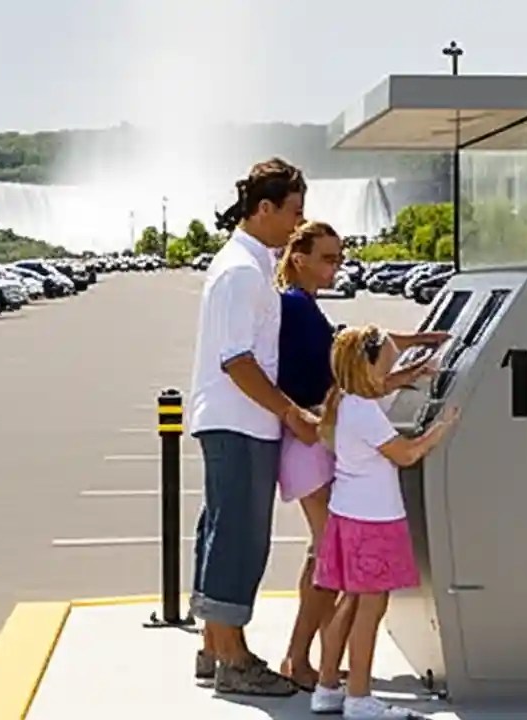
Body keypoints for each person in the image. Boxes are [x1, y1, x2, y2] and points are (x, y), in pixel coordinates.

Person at [272, 223, 445, 692]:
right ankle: (304, 662)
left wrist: (403, 353)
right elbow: (342, 363)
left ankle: (315, 664)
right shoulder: (295, 306)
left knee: (328, 559)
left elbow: (346, 370)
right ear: (299, 257)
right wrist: (401, 354)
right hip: (306, 447)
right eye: (327, 259)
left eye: (339, 259)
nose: (336, 267)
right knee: (329, 561)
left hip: (312, 444)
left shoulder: (304, 306)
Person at [187, 157, 316, 697]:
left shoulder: (248, 263)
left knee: (223, 532)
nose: (298, 224)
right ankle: (233, 660)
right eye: (293, 211)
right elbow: (238, 359)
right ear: (263, 209)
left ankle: (216, 646)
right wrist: (291, 411)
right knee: (239, 538)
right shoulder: (242, 271)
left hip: (235, 422)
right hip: (240, 422)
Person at [308, 325, 460, 720]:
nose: (387, 371)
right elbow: (406, 455)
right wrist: (441, 429)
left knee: (350, 602)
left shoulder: (346, 399)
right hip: (374, 521)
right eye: (386, 363)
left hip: (349, 515)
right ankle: (359, 697)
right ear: (367, 364)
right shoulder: (364, 412)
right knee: (370, 610)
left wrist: (409, 375)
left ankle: (327, 688)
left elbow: (378, 387)